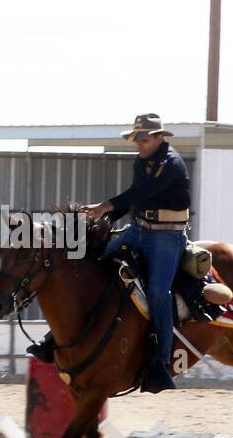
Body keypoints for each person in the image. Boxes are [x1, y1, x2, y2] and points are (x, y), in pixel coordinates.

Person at [27, 113, 190, 393]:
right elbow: (137, 197)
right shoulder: (143, 161)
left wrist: (105, 206)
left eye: (144, 138)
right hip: (138, 229)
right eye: (136, 138)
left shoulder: (171, 164)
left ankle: (161, 363)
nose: (139, 143)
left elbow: (142, 192)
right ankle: (57, 336)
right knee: (94, 268)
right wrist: (105, 216)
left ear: (160, 137)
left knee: (157, 294)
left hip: (166, 236)